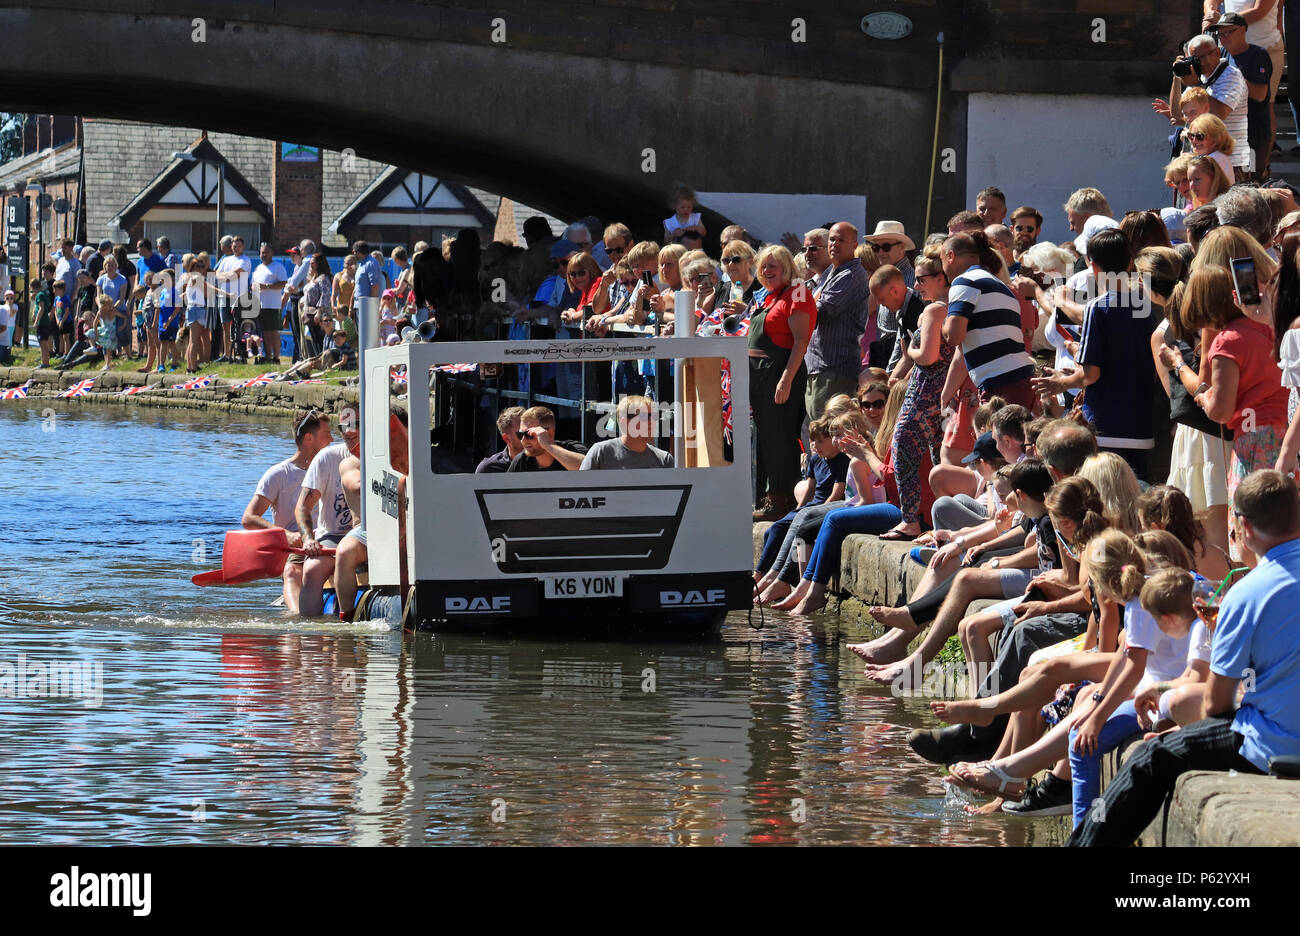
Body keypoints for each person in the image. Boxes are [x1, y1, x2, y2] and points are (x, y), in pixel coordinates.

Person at [1069, 470, 1300, 846]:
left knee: (1152, 758)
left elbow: (1216, 703)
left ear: (1242, 527)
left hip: (1278, 745)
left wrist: (1179, 722)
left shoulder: (1247, 593)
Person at [1164, 264, 1287, 566]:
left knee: (1251, 539)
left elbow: (1220, 410)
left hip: (1252, 441)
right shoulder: (1267, 324)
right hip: (1284, 436)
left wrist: (1201, 395)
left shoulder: (1227, 341)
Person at [1033, 228, 1159, 478]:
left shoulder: (1097, 308)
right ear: (1130, 261)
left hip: (1105, 425)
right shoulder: (1145, 304)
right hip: (1141, 423)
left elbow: (1091, 374)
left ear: (1094, 266)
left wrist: (1062, 383)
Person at [880, 255, 953, 539]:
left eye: (921, 279)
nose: (916, 284)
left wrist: (909, 349)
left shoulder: (936, 310)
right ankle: (938, 521)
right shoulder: (945, 309)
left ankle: (911, 520)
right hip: (937, 393)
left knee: (903, 446)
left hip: (925, 391)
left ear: (940, 278)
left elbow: (927, 356)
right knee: (937, 456)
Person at [242, 409, 333, 615]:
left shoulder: (336, 467)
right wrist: (287, 535)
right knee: (292, 571)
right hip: (298, 550)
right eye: (327, 434)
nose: (332, 439)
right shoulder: (278, 474)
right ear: (309, 438)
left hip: (329, 541)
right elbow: (249, 518)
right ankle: (297, 618)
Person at [750, 245, 815, 520]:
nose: (767, 271)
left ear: (787, 267)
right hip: (760, 378)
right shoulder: (768, 298)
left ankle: (782, 498)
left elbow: (801, 341)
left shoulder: (797, 293)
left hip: (778, 375)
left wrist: (785, 380)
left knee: (779, 438)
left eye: (773, 266)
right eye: (764, 267)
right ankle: (765, 498)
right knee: (764, 439)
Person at [941, 233, 1037, 408]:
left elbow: (954, 337)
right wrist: (945, 396)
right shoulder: (1001, 286)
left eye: (942, 261)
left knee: (1001, 436)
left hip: (1001, 384)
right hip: (1021, 380)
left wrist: (944, 324)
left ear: (950, 256)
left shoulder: (964, 282)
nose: (943, 269)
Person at [295, 403, 361, 617]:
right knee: (312, 569)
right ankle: (309, 634)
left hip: (369, 534)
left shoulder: (390, 454)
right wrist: (307, 539)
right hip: (334, 536)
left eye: (356, 425)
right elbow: (303, 507)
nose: (349, 432)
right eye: (344, 427)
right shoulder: (327, 457)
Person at [804, 222, 869, 420]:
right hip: (819, 367)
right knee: (818, 434)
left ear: (854, 245)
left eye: (841, 240)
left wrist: (795, 305)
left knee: (827, 432)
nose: (835, 244)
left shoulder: (850, 275)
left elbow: (819, 313)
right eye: (832, 239)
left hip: (834, 369)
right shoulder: (833, 272)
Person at [1210, 11, 1275, 177]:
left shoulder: (1258, 55)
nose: (1224, 38)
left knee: (1250, 186)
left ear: (1243, 30)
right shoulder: (1222, 55)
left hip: (1252, 137)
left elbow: (1261, 94)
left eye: (1228, 32)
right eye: (1220, 34)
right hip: (1227, 137)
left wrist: (1234, 78)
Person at [581, 395, 674, 469]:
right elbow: (583, 490)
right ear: (625, 422)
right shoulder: (600, 452)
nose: (652, 421)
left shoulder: (664, 459)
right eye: (645, 416)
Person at [507, 406, 588, 471]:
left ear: (550, 433)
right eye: (520, 435)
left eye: (530, 434)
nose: (523, 440)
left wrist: (548, 445)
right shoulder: (521, 461)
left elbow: (587, 468)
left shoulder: (573, 448)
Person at [214, 236, 253, 362]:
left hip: (238, 298)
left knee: (239, 326)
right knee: (225, 326)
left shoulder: (245, 260)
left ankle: (240, 354)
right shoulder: (226, 260)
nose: (236, 248)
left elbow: (236, 274)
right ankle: (227, 354)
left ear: (243, 247)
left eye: (239, 246)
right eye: (234, 246)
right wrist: (227, 275)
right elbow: (217, 274)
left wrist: (225, 275)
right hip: (223, 296)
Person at [251, 243, 288, 364]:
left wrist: (266, 286)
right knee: (265, 331)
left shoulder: (278, 267)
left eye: (266, 252)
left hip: (273, 305)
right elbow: (253, 285)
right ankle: (268, 357)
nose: (264, 255)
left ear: (272, 253)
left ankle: (276, 357)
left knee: (274, 331)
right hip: (260, 305)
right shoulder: (258, 269)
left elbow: (283, 283)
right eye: (262, 252)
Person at [476, 407, 526, 473]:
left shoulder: (542, 461)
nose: (528, 437)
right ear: (507, 438)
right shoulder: (488, 468)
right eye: (521, 434)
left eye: (530, 432)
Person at [0, 288, 15, 365]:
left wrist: (10, 306)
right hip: (6, 325)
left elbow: (11, 314)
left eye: (11, 298)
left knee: (10, 339)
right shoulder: (3, 307)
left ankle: (9, 352)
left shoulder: (13, 306)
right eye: (7, 297)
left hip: (10, 325)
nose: (9, 299)